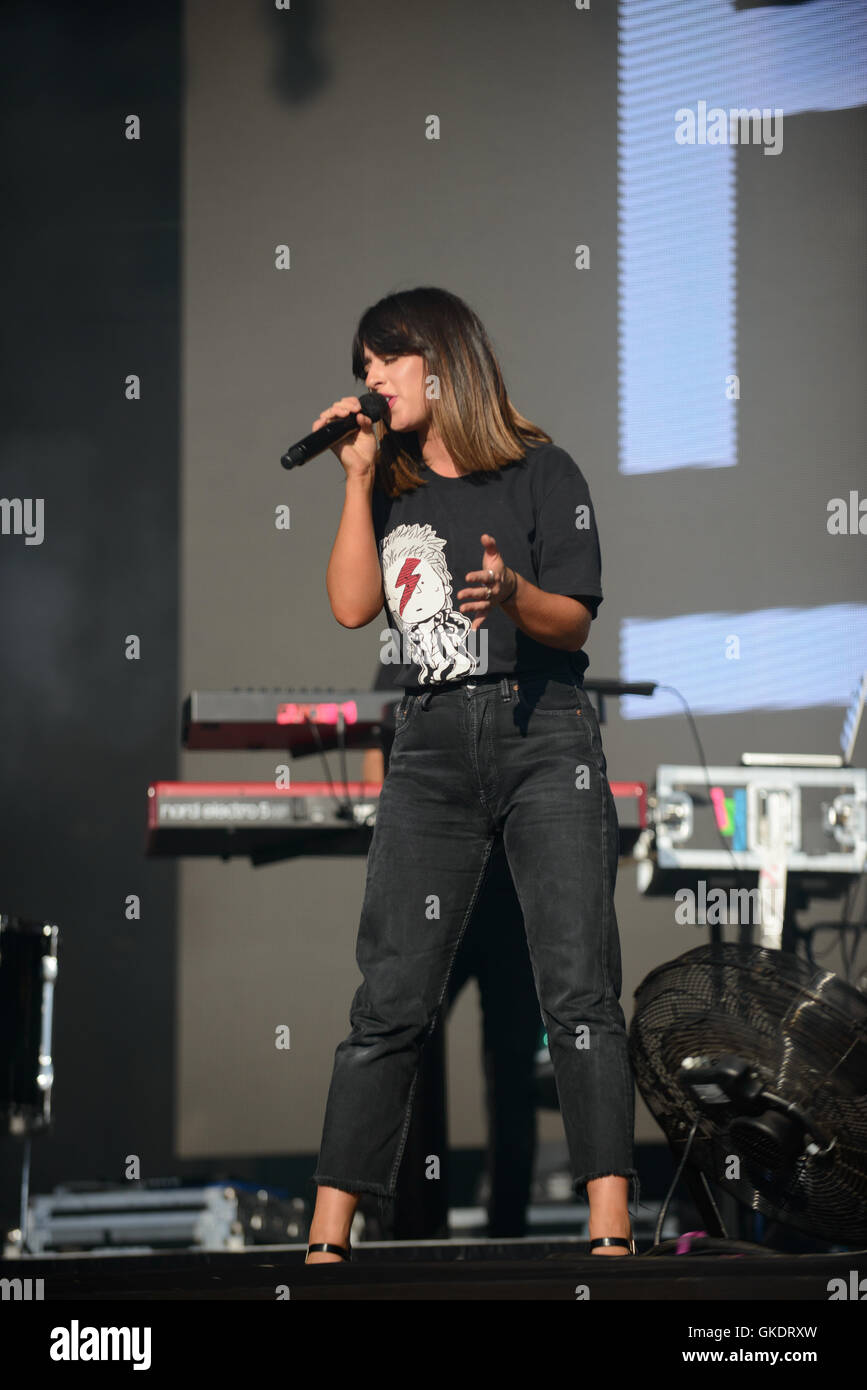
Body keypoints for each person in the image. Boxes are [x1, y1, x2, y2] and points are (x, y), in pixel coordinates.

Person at [305, 287, 638, 1263]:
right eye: (361, 366)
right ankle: (328, 1238)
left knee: (577, 986)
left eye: (383, 362)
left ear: (440, 364)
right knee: (389, 997)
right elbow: (351, 607)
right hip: (435, 741)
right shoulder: (392, 480)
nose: (368, 380)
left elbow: (574, 618)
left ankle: (611, 1229)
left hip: (546, 733)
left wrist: (517, 594)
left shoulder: (545, 471)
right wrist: (355, 479)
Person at [361, 660, 542, 1240]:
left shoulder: (515, 641)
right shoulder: (402, 654)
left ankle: (509, 1223)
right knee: (412, 1047)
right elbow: (376, 748)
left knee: (514, 1063)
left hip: (507, 892)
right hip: (434, 893)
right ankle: (415, 1223)